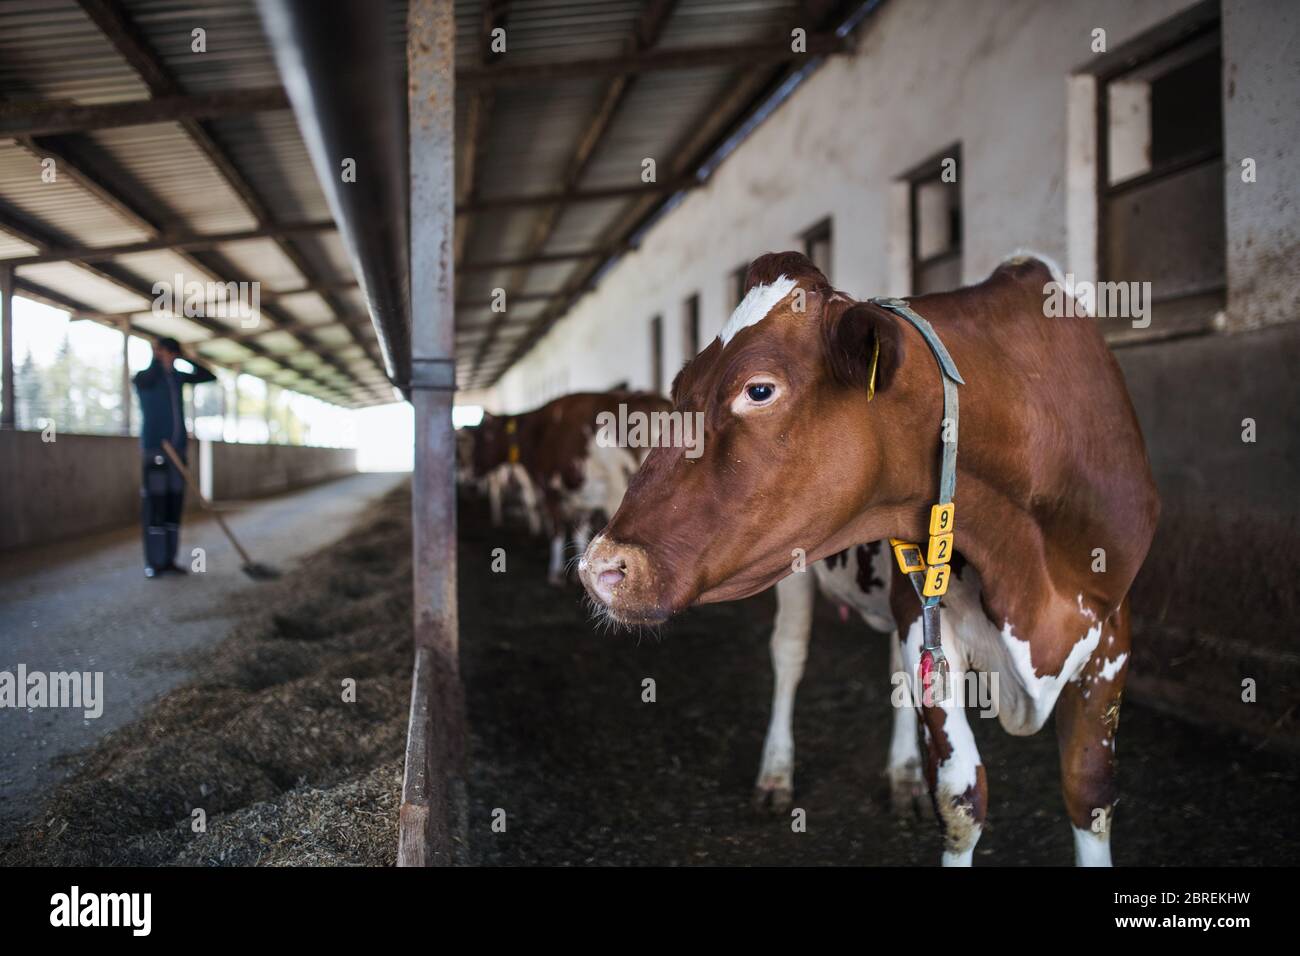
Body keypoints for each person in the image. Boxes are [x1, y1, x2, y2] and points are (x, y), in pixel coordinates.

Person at [134, 336, 216, 578]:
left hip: (178, 454)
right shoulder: (145, 378)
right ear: (158, 353)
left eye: (173, 354)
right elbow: (148, 376)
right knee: (156, 507)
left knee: (173, 507)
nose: (170, 358)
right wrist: (156, 359)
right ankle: (154, 563)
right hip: (156, 451)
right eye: (167, 353)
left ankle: (169, 560)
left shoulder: (177, 378)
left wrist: (187, 358)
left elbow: (208, 376)